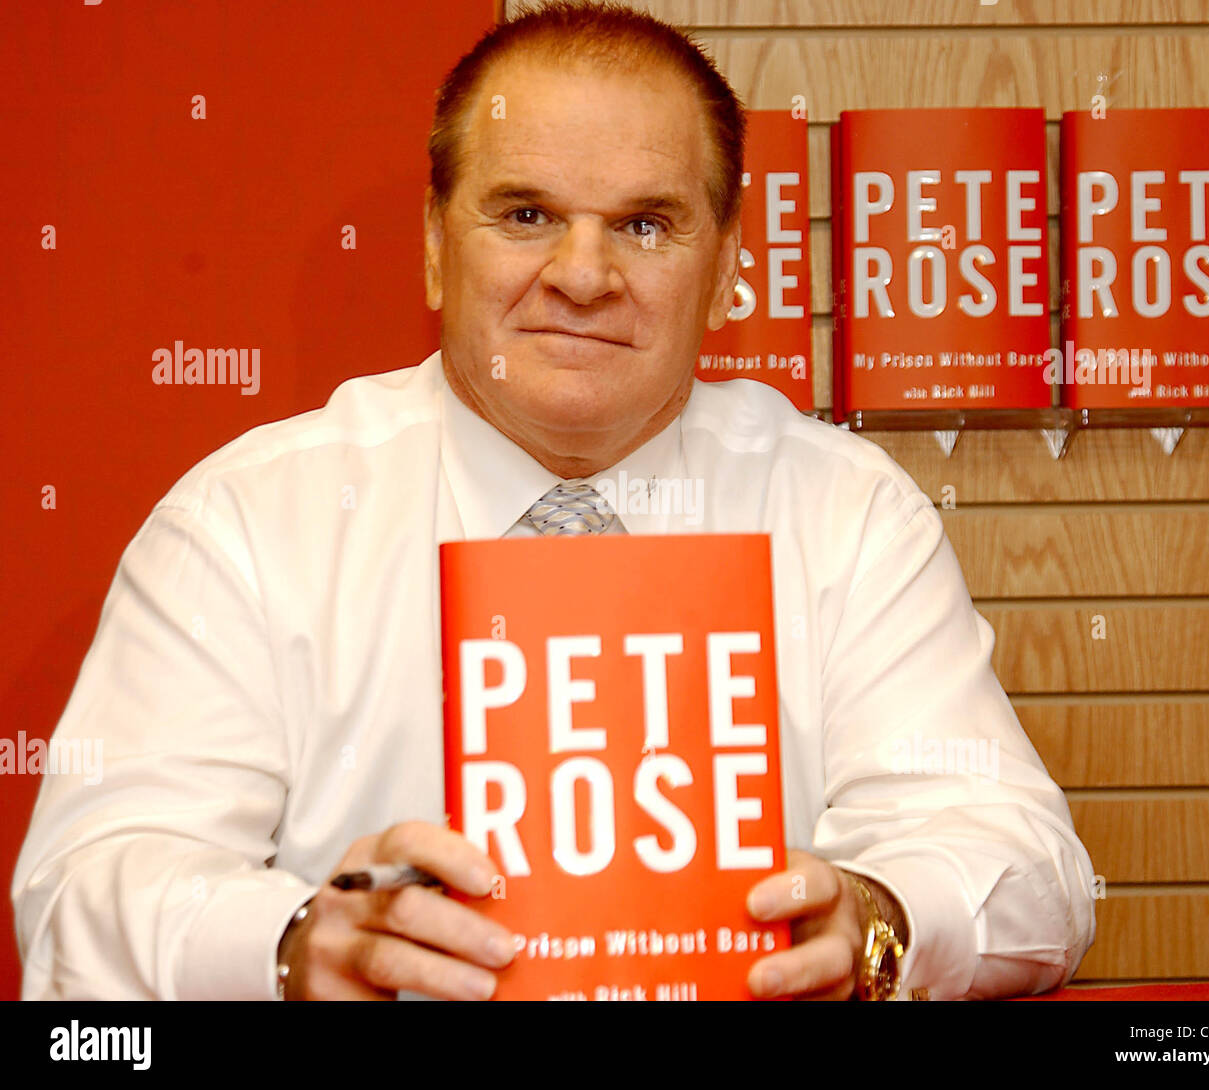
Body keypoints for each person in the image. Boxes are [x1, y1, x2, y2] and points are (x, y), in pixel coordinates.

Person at [12, 1, 1095, 1001]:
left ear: (724, 271)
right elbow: (80, 894)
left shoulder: (849, 515)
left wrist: (873, 923)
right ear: (436, 247)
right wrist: (297, 943)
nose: (582, 275)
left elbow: (1026, 864)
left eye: (645, 224)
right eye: (525, 213)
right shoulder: (246, 521)